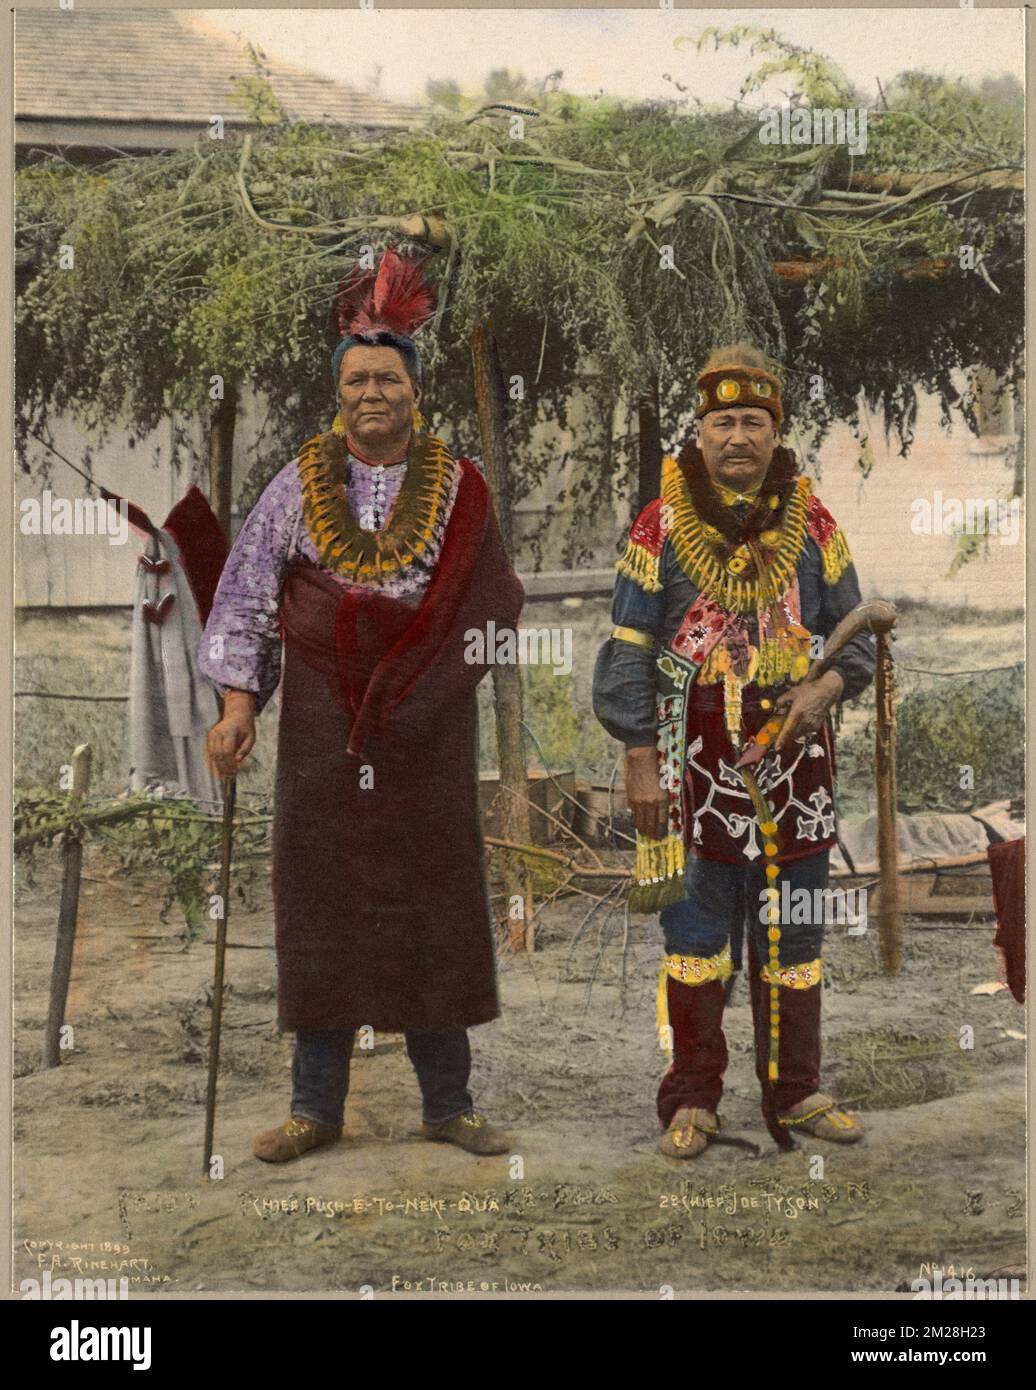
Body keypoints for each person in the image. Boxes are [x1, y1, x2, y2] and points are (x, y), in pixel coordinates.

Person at [199, 249, 523, 1163]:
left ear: (415, 393)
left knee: (435, 898)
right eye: (355, 380)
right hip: (321, 724)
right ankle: (315, 1109)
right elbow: (249, 597)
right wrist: (237, 708)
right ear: (337, 394)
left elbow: (493, 606)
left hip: (425, 721)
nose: (371, 392)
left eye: (387, 377)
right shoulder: (293, 486)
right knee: (323, 899)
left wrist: (432, 682)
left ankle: (448, 1105)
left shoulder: (460, 488)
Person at [593, 344, 874, 1159]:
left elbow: (855, 640)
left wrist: (825, 688)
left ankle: (798, 1091)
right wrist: (639, 759)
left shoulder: (814, 522)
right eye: (724, 422)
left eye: (755, 421)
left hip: (796, 767)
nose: (739, 436)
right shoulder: (661, 523)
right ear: (701, 429)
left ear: (776, 430)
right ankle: (692, 1098)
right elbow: (628, 650)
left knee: (795, 940)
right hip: (691, 771)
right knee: (695, 944)